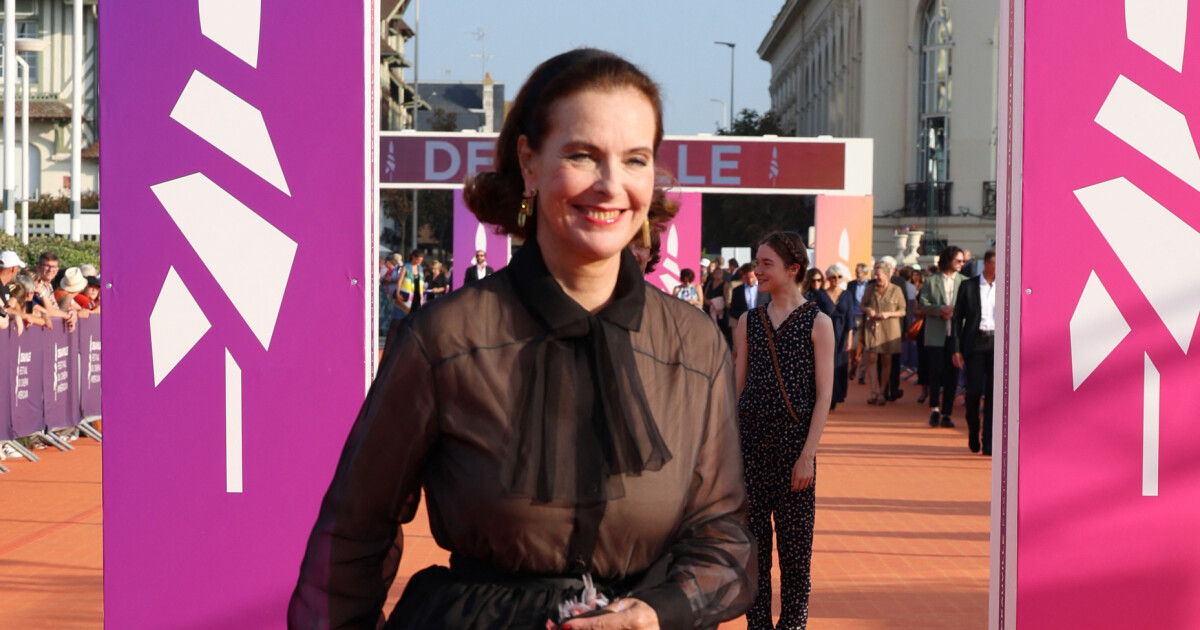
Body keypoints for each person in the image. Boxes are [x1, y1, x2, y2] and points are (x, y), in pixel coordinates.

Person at [289, 48, 754, 630]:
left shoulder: (694, 345)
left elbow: (724, 537)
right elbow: (354, 535)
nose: (611, 186)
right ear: (530, 164)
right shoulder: (445, 339)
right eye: (583, 155)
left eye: (635, 160)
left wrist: (655, 614)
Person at [734, 231, 833, 630]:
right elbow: (735, 389)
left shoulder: (818, 322)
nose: (757, 271)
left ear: (793, 269)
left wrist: (808, 453)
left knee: (795, 558)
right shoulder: (748, 321)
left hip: (795, 451)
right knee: (753, 555)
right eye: (757, 263)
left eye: (766, 264)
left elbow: (824, 395)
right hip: (750, 448)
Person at [951, 249, 996, 455]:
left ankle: (989, 441)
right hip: (975, 343)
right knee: (974, 392)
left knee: (994, 396)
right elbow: (957, 319)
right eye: (996, 263)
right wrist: (957, 348)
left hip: (997, 344)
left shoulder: (1007, 286)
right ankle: (973, 431)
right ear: (987, 264)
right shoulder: (968, 286)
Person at [917, 245, 967, 427]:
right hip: (935, 334)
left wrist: (957, 312)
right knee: (936, 372)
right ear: (949, 260)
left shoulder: (964, 281)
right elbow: (921, 305)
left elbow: (969, 308)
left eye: (963, 261)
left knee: (952, 374)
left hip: (955, 335)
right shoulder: (931, 280)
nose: (962, 263)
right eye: (958, 260)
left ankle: (947, 412)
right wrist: (940, 310)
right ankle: (935, 409)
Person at [860, 260, 906, 405]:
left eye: (879, 275)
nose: (876, 277)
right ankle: (873, 391)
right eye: (875, 274)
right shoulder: (870, 288)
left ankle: (882, 392)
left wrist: (889, 314)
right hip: (872, 328)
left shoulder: (896, 290)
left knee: (887, 360)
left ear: (887, 275)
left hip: (890, 329)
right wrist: (868, 310)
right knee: (872, 359)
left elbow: (903, 310)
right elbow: (862, 305)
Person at [823, 263, 856, 411]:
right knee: (827, 368)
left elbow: (850, 318)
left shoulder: (847, 295)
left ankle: (837, 395)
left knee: (840, 367)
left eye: (839, 277)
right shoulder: (821, 295)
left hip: (842, 336)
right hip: (825, 336)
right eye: (833, 277)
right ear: (828, 278)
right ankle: (828, 397)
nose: (836, 279)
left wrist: (849, 339)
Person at [846, 262, 870, 384]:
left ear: (865, 273)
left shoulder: (871, 285)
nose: (857, 274)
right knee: (853, 346)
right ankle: (853, 364)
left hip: (867, 318)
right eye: (856, 271)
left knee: (865, 347)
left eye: (859, 272)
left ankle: (861, 373)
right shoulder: (851, 285)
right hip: (854, 318)